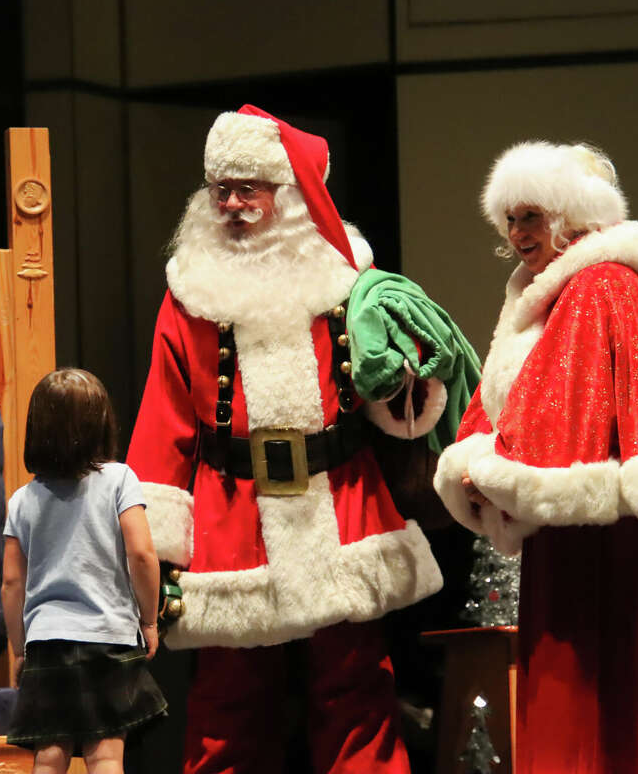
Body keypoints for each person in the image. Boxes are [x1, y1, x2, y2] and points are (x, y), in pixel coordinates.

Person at [126, 105, 474, 774]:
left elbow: (389, 400)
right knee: (228, 705)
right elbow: (164, 420)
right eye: (220, 189)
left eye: (248, 188)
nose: (231, 204)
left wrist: (406, 388)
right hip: (232, 514)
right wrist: (159, 541)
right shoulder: (189, 294)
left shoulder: (345, 283)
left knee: (358, 694)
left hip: (338, 503)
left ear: (284, 194)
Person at [433, 141, 638, 774]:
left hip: (605, 540)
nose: (516, 233)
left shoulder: (596, 288)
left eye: (532, 217)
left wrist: (498, 470)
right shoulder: (545, 295)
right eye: (511, 219)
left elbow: (566, 411)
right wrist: (479, 460)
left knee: (605, 699)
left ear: (572, 217)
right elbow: (510, 400)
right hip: (582, 535)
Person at [2, 368, 167, 774]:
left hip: (46, 641)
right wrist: (148, 620)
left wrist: (21, 648)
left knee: (49, 754)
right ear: (101, 424)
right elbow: (142, 554)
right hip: (109, 636)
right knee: (106, 754)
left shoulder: (22, 500)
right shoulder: (119, 479)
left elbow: (11, 582)